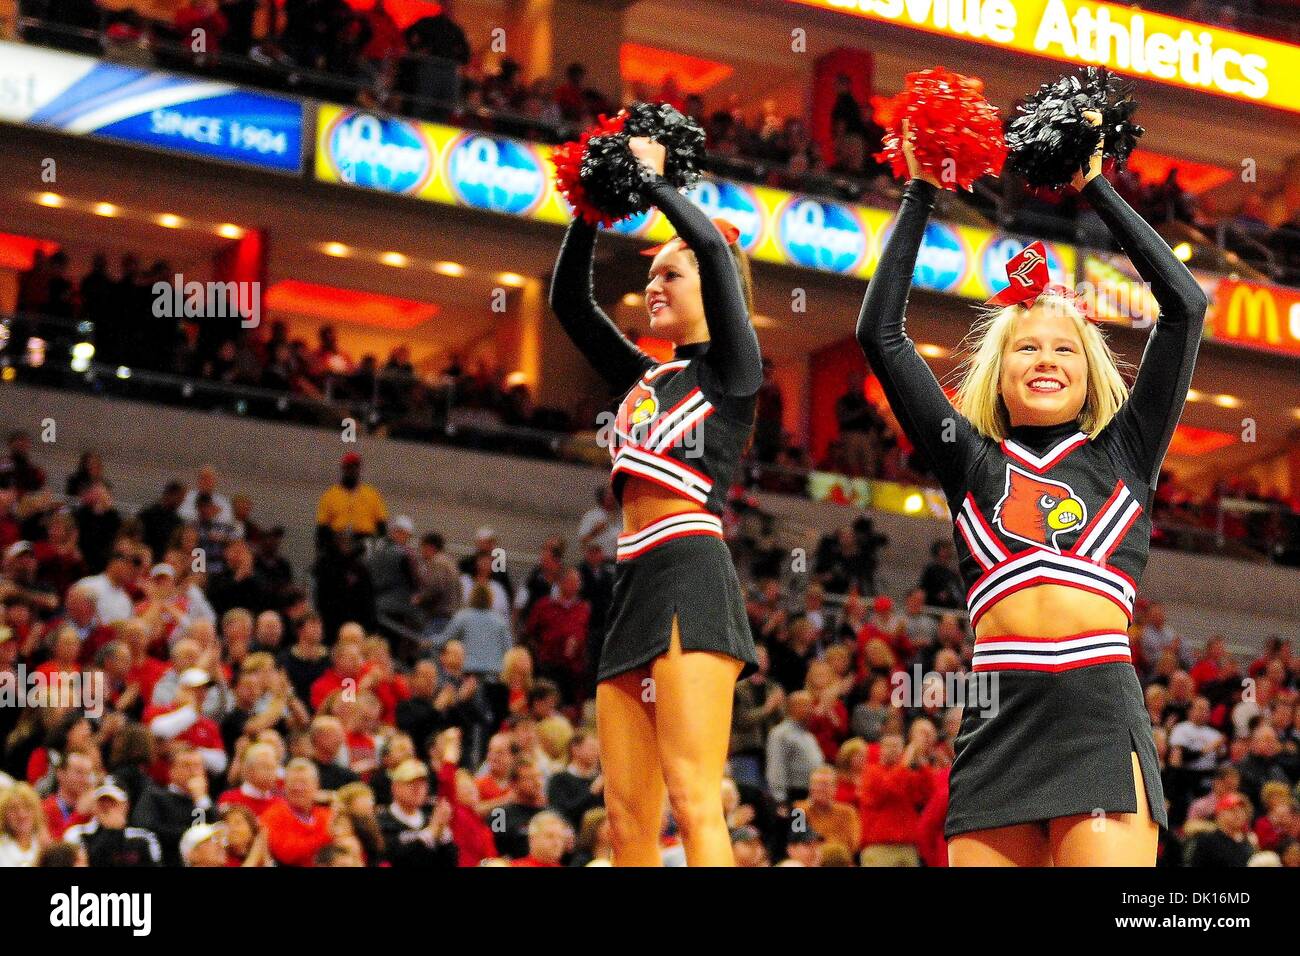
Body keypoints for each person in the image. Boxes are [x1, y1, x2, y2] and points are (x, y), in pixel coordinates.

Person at [855, 113, 1207, 866]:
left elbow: (1185, 307)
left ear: (1088, 375)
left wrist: (1095, 187)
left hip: (1098, 720)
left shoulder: (1126, 452)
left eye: (1063, 349)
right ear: (1000, 372)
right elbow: (880, 334)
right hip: (996, 726)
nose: (1045, 359)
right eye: (1026, 347)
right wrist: (921, 188)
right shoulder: (969, 462)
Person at [549, 134, 763, 866]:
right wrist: (592, 201)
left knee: (693, 793)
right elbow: (568, 303)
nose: (656, 289)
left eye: (674, 274)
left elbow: (704, 234)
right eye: (653, 277)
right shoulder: (644, 377)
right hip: (631, 578)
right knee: (625, 815)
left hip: (690, 576)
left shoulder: (733, 371)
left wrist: (655, 180)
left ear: (717, 285)